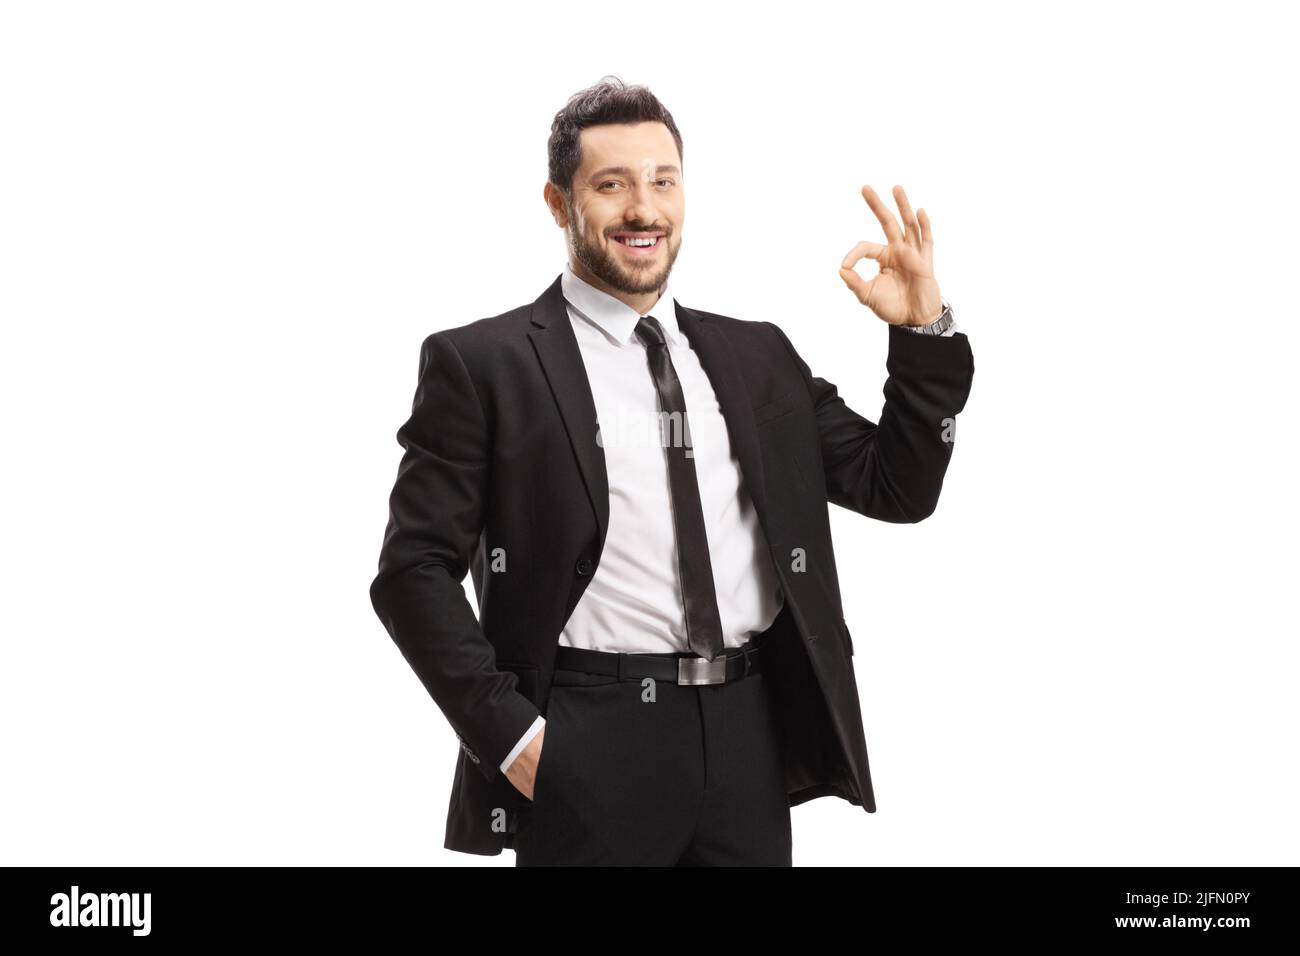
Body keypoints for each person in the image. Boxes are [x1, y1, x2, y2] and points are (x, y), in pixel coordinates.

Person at [368, 75, 974, 866]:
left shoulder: (756, 356)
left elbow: (899, 488)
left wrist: (925, 330)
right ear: (558, 204)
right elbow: (412, 571)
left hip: (749, 732)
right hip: (587, 731)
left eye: (663, 181)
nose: (643, 210)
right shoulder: (484, 365)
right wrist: (512, 738)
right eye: (610, 184)